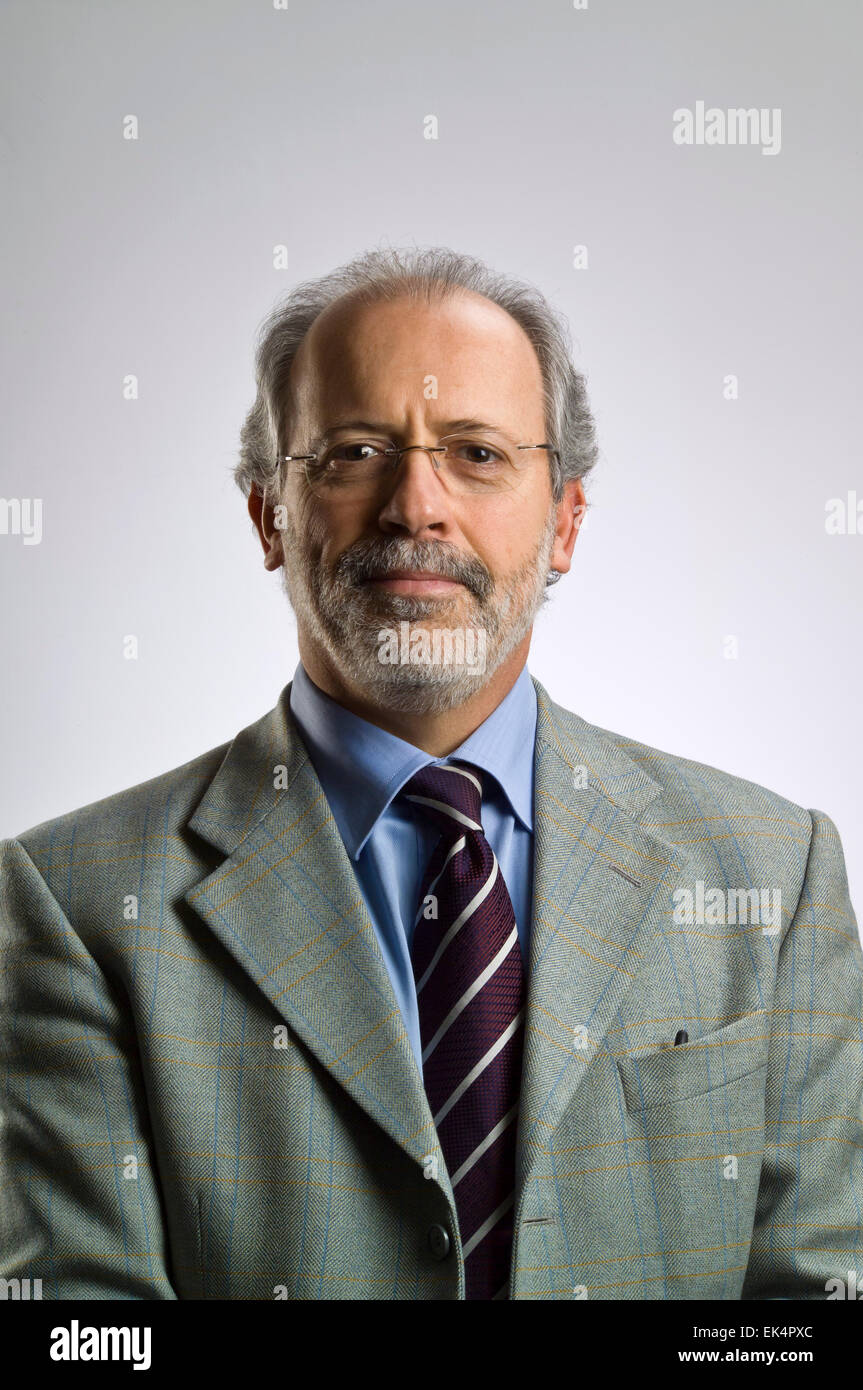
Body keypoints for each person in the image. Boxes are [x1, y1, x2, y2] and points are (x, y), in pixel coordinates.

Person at [1, 247, 860, 1301]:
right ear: (270, 515)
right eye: (355, 451)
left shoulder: (771, 881)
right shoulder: (73, 905)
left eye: (477, 453)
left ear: (566, 523)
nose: (416, 504)